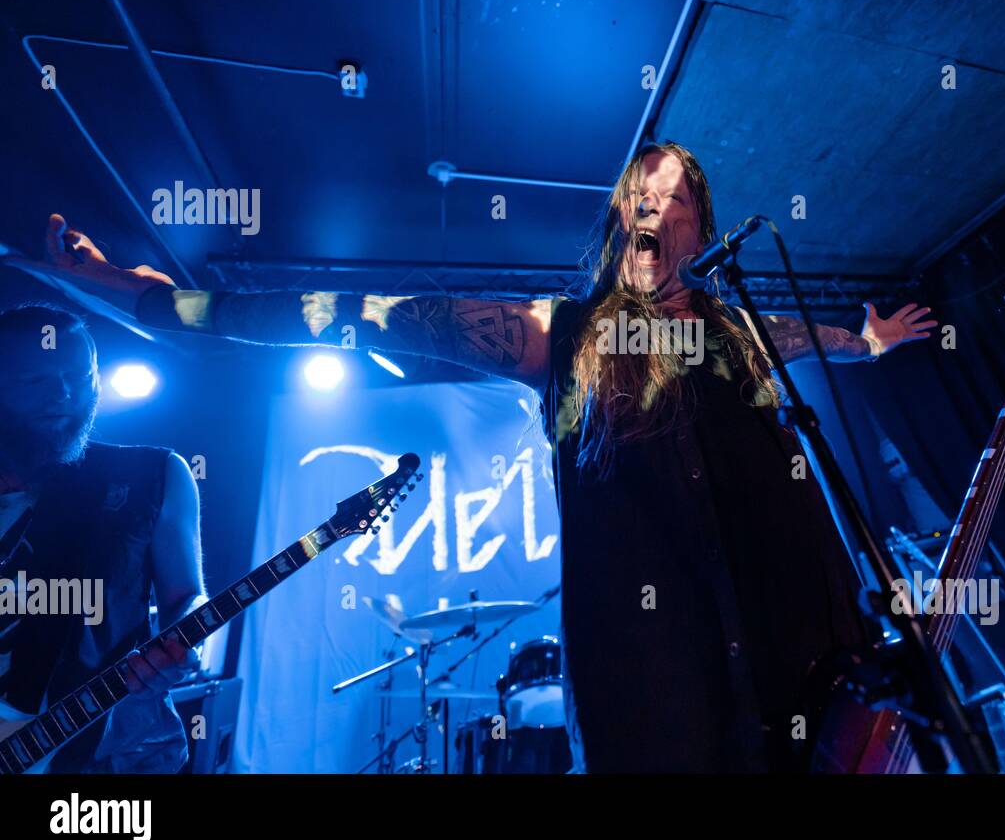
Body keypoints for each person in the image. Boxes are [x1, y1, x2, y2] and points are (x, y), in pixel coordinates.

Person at [36, 141, 936, 772]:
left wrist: (868, 337)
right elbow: (345, 313)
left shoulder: (736, 331)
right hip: (656, 685)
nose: (656, 210)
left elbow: (811, 337)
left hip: (806, 655)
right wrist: (142, 290)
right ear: (622, 221)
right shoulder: (562, 336)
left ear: (702, 228)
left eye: (677, 198)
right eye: (640, 197)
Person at [0, 303, 205, 772]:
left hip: (106, 752)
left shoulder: (149, 476)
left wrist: (185, 644)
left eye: (80, 375)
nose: (64, 396)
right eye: (36, 381)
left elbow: (185, 597)